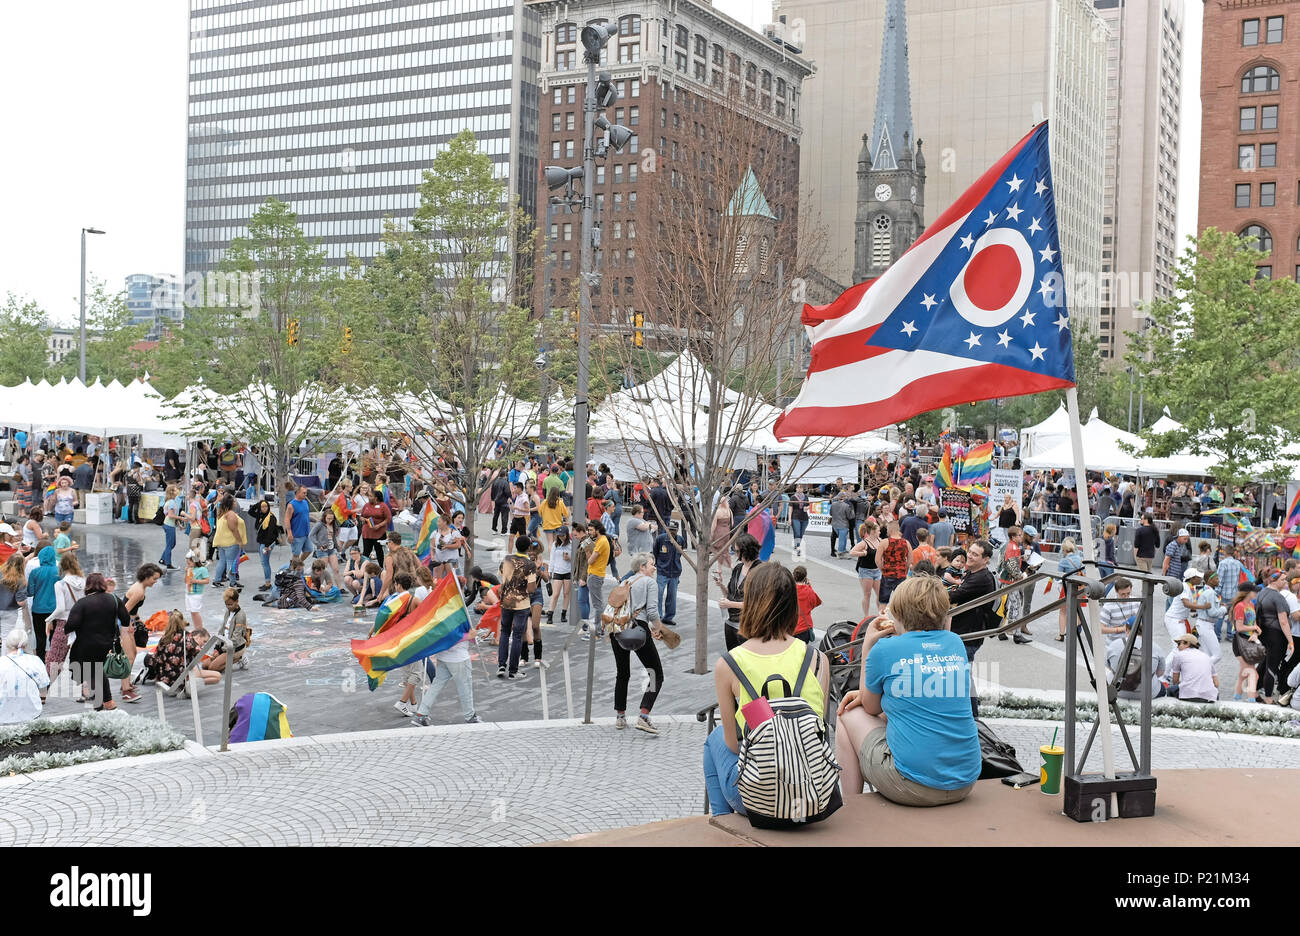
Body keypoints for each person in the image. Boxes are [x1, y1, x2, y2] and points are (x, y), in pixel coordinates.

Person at [835, 575, 982, 806]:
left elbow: (871, 708)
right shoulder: (955, 643)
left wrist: (868, 645)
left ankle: (852, 804)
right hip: (965, 781)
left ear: (899, 615)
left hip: (913, 786)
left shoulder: (885, 648)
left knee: (846, 713)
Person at [703, 562, 831, 816]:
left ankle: (722, 823)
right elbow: (819, 729)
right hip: (812, 792)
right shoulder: (817, 659)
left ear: (751, 603)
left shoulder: (729, 664)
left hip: (760, 800)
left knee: (714, 739)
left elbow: (733, 744)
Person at [608, 553, 666, 733]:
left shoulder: (624, 582)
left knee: (622, 673)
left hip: (616, 629)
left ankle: (620, 716)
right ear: (642, 567)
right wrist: (659, 629)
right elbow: (652, 612)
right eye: (651, 564)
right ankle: (644, 714)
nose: (654, 568)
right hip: (637, 630)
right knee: (656, 673)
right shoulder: (649, 583)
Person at [65, 573, 130, 710]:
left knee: (92, 671)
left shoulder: (82, 603)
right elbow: (125, 619)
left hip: (86, 644)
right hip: (107, 643)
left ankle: (102, 703)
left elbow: (71, 625)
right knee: (98, 670)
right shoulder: (113, 599)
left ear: (87, 586)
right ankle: (106, 702)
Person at [44, 552, 85, 689]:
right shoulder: (84, 582)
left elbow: (60, 608)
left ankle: (44, 691)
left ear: (62, 565)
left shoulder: (60, 584)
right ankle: (88, 691)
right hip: (82, 623)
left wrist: (48, 619)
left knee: (55, 659)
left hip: (64, 624)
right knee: (85, 658)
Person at [716, 533, 762, 651]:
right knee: (733, 660)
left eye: (736, 551)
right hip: (730, 623)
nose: (735, 554)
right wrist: (720, 585)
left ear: (746, 551)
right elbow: (729, 595)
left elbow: (756, 604)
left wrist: (729, 604)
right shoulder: (738, 568)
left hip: (748, 626)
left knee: (747, 662)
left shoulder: (760, 571)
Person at [1253, 570, 1294, 703]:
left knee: (1265, 664)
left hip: (1264, 633)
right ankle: (1269, 698)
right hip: (1276, 636)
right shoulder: (1278, 597)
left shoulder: (1262, 592)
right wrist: (1290, 641)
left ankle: (1253, 691)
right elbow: (1283, 621)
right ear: (1274, 581)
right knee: (1271, 667)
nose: (1285, 582)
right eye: (1283, 580)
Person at [497, 548, 537, 680]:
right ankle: (513, 671)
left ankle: (501, 665)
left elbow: (501, 577)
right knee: (517, 636)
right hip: (521, 604)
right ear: (527, 548)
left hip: (506, 602)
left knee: (504, 632)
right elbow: (531, 589)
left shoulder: (507, 559)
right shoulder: (530, 564)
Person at [0, 626, 49, 723]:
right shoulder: (35, 660)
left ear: (7, 644)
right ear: (26, 645)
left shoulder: (1, 662)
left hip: (3, 714)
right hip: (31, 713)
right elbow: (44, 684)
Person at [25, 545, 59, 661]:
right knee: (54, 638)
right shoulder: (59, 572)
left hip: (38, 609)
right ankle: (53, 663)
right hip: (55, 610)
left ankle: (40, 661)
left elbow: (30, 592)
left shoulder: (35, 572)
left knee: (40, 637)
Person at [580, 522, 612, 639]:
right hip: (596, 574)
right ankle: (599, 629)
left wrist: (587, 549)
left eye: (591, 530)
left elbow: (590, 561)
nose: (589, 532)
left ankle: (596, 631)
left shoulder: (601, 542)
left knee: (597, 604)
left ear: (598, 530)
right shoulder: (601, 541)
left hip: (595, 575)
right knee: (598, 603)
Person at [1231, 585, 1262, 702]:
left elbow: (1252, 624)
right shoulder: (1240, 606)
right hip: (1240, 641)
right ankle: (1251, 700)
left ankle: (1237, 698)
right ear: (1248, 592)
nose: (1256, 593)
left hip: (1249, 641)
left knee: (1244, 673)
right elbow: (1239, 627)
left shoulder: (1251, 605)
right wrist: (1254, 627)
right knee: (1253, 674)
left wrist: (1255, 632)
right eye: (1254, 591)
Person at [653, 520, 685, 628]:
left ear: (677, 531)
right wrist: (658, 566)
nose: (671, 532)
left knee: (672, 596)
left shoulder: (680, 540)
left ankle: (668, 617)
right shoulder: (660, 539)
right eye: (669, 530)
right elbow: (655, 553)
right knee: (659, 594)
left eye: (674, 530)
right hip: (662, 572)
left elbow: (680, 554)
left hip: (675, 573)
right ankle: (658, 617)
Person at [1169, 632, 1218, 703]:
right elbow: (1216, 683)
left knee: (1170, 690)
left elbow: (1175, 680)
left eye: (1179, 644)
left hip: (1188, 694)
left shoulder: (1178, 655)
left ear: (1187, 644)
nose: (1177, 647)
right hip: (1209, 696)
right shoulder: (1206, 656)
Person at [849, 518, 883, 619]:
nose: (880, 532)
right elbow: (852, 552)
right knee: (867, 594)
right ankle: (866, 616)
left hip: (877, 571)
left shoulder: (880, 540)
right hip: (866, 571)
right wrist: (863, 553)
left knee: (880, 595)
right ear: (872, 532)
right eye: (878, 531)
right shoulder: (864, 543)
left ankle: (881, 614)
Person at [211, 588, 250, 672]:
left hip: (235, 647)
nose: (228, 607)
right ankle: (226, 660)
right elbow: (222, 630)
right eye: (226, 605)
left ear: (237, 601)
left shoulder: (240, 615)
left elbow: (235, 640)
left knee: (213, 668)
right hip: (225, 645)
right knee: (205, 665)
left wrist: (221, 650)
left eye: (230, 604)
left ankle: (239, 659)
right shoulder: (228, 611)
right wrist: (217, 647)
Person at [250, 493, 281, 591]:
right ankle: (267, 583)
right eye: (262, 507)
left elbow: (271, 533)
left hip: (267, 543)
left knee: (265, 563)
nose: (264, 508)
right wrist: (258, 503)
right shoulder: (260, 515)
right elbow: (250, 511)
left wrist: (267, 546)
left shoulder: (271, 518)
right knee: (264, 563)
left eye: (266, 506)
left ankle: (268, 584)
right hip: (263, 542)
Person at [1055, 538, 1084, 641]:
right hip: (1079, 587)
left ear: (1064, 550)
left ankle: (1061, 634)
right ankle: (1075, 632)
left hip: (1067, 587)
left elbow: (1058, 577)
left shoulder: (1063, 561)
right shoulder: (1079, 558)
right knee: (1076, 611)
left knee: (1063, 612)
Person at [877, 520, 911, 605]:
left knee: (883, 602)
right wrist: (904, 569)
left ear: (890, 530)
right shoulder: (906, 543)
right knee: (901, 602)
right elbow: (910, 560)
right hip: (901, 574)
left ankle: (883, 616)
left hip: (888, 573)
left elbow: (877, 560)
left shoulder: (884, 542)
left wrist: (883, 569)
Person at [1099, 576, 1141, 646]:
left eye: (1128, 593)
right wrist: (1122, 629)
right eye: (1123, 594)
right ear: (1116, 591)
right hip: (1114, 643)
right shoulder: (1108, 606)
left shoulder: (1137, 602)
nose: (1126, 596)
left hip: (1133, 642)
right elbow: (1101, 629)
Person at [547, 526, 573, 625]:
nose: (561, 537)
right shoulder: (555, 544)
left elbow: (575, 560)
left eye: (563, 535)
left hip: (568, 571)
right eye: (559, 535)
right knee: (555, 594)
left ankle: (564, 613)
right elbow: (552, 558)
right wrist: (550, 571)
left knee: (566, 594)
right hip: (557, 571)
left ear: (566, 535)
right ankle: (550, 614)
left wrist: (569, 558)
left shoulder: (571, 545)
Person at [0, 554, 29, 642]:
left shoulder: (0, 573)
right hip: (10, 611)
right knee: (6, 637)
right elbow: (21, 602)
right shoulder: (20, 579)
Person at [793, 565, 821, 643]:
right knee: (803, 652)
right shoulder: (808, 591)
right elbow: (815, 603)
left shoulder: (789, 589)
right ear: (805, 578)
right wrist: (809, 586)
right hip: (804, 627)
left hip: (790, 627)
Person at [159, 483, 184, 570]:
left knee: (171, 544)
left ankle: (163, 559)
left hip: (169, 524)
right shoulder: (172, 502)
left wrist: (178, 523)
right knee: (170, 544)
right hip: (169, 525)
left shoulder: (170, 502)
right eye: (176, 489)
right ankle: (168, 564)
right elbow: (171, 515)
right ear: (172, 492)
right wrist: (181, 518)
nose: (178, 490)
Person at [538, 486, 569, 551]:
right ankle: (555, 559)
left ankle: (550, 559)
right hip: (557, 525)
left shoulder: (545, 502)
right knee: (555, 543)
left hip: (547, 525)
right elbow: (566, 514)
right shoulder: (560, 502)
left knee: (550, 543)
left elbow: (539, 512)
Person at [710, 499, 733, 570]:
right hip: (727, 531)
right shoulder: (729, 511)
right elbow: (732, 523)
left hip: (719, 531)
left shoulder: (717, 512)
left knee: (718, 550)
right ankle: (724, 566)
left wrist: (711, 534)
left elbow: (714, 525)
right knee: (725, 549)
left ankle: (726, 567)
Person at [789, 484, 810, 550]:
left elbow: (809, 505)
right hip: (795, 516)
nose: (799, 489)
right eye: (798, 487)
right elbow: (790, 508)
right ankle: (798, 546)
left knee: (801, 533)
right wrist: (789, 518)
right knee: (797, 532)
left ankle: (797, 543)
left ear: (803, 489)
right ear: (796, 489)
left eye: (801, 487)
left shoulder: (805, 497)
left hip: (804, 517)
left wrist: (807, 508)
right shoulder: (793, 497)